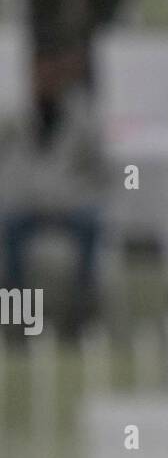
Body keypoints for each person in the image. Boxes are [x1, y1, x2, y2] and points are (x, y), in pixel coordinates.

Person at [0, 47, 106, 332]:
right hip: (25, 204)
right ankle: (20, 320)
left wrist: (113, 189)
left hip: (71, 202)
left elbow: (105, 166)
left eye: (52, 74)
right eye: (40, 74)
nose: (46, 81)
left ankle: (82, 316)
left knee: (93, 227)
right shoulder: (13, 116)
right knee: (8, 232)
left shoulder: (82, 115)